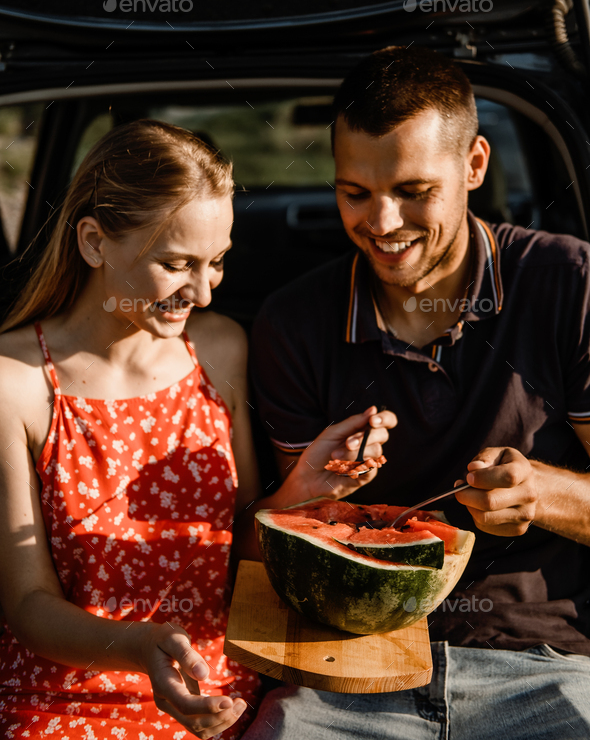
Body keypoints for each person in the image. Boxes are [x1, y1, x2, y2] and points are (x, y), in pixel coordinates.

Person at [0, 119, 395, 740]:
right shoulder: (15, 382)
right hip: (62, 702)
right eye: (176, 263)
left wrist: (302, 490)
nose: (205, 293)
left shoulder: (219, 349)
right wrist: (139, 648)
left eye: (216, 262)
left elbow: (238, 542)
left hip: (218, 688)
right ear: (95, 242)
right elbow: (26, 606)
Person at [245, 46, 590, 739]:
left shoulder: (570, 283)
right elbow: (298, 545)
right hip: (343, 666)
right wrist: (314, 493)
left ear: (475, 166)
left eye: (413, 190)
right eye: (354, 192)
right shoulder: (292, 325)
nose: (382, 222)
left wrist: (542, 494)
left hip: (546, 660)